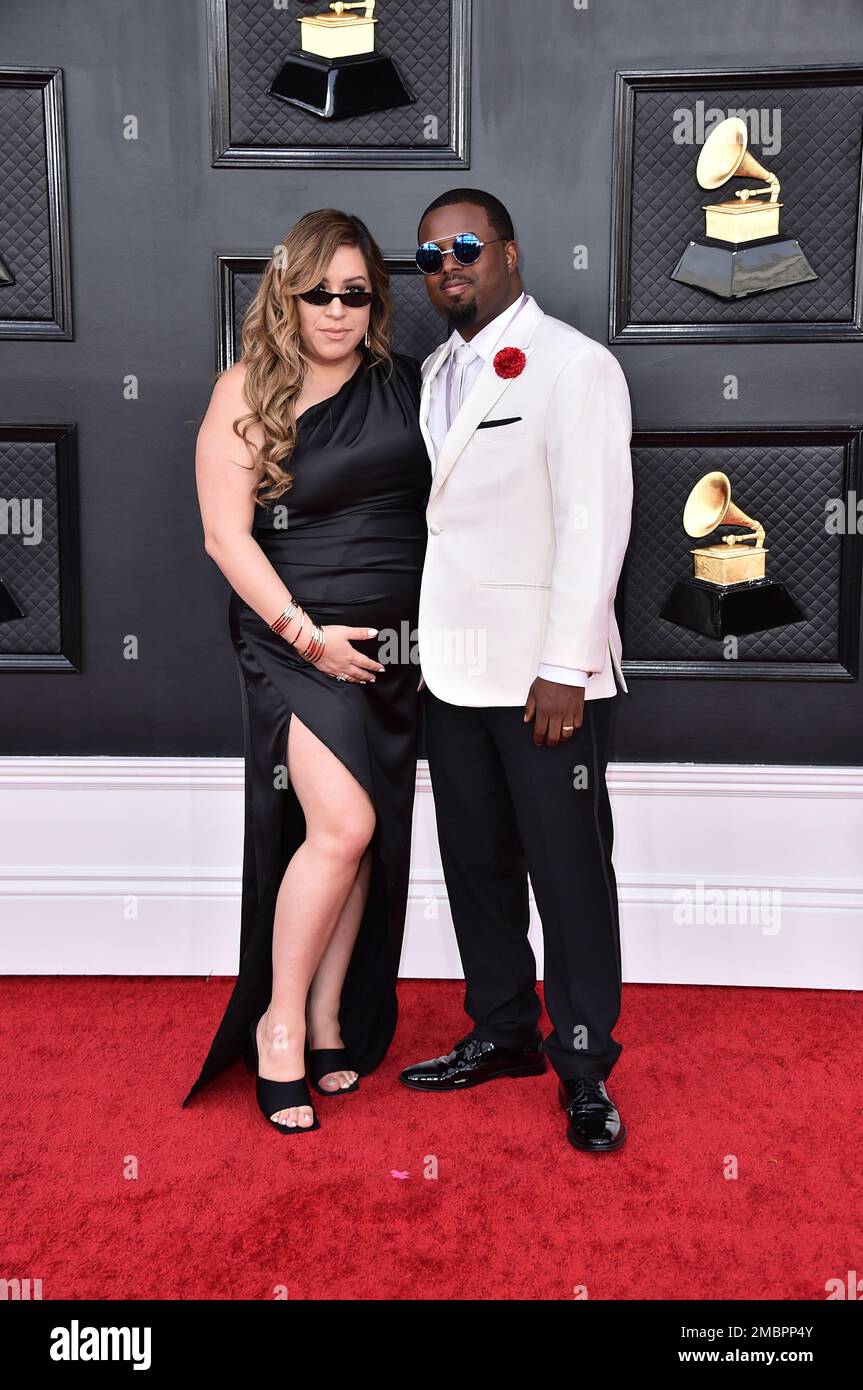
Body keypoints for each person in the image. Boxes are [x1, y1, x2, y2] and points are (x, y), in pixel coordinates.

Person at [182, 209, 430, 1134]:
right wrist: (303, 634)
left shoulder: (407, 384)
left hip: (392, 652)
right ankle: (280, 1025)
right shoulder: (246, 389)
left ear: (375, 302)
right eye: (317, 292)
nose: (335, 309)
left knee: (356, 837)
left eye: (354, 293)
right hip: (292, 641)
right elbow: (223, 535)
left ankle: (331, 1014)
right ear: (286, 296)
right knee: (343, 821)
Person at [400, 189, 634, 1153]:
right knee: (474, 864)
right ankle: (502, 1030)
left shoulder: (575, 365)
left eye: (463, 245)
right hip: (451, 670)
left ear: (508, 251)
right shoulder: (431, 371)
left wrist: (563, 667)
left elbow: (595, 521)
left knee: (568, 872)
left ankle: (582, 1064)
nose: (446, 263)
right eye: (426, 255)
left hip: (545, 676)